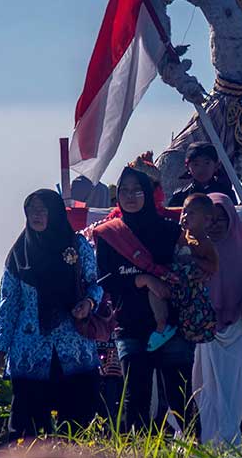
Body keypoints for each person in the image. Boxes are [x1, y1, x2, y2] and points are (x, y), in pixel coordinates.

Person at [0, 189, 103, 440]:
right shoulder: (18, 254)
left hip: (72, 346)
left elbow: (95, 284)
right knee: (25, 426)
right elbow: (8, 304)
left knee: (76, 422)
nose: (37, 215)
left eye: (43, 209)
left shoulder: (77, 245)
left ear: (54, 213)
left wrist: (88, 302)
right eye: (31, 210)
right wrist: (0, 347)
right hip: (30, 349)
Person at [93, 167, 194, 431]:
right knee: (135, 400)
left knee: (180, 399)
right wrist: (143, 279)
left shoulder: (170, 231)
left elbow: (186, 273)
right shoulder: (108, 235)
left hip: (172, 326)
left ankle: (195, 449)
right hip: (131, 326)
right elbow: (106, 281)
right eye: (124, 191)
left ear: (148, 194)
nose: (130, 196)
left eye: (136, 191)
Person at [191, 193, 242, 446]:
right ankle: (209, 445)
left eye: (223, 218)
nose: (217, 224)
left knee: (232, 389)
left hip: (238, 332)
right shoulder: (196, 251)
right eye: (211, 218)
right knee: (204, 387)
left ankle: (230, 445)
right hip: (204, 331)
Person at [146, 193, 219, 352]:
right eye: (184, 211)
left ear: (206, 220)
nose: (185, 216)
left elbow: (213, 266)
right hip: (172, 284)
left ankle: (189, 332)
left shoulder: (205, 243)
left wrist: (194, 260)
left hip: (191, 292)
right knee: (153, 289)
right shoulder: (178, 235)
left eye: (191, 213)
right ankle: (162, 326)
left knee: (190, 318)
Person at [167, 143, 237, 208]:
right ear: (187, 166)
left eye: (207, 163)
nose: (201, 169)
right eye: (196, 164)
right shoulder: (180, 197)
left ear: (216, 165)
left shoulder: (226, 194)